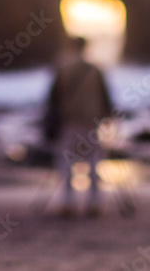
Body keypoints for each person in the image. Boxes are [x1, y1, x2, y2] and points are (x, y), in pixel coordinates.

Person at [43, 35, 113, 217]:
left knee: (65, 164)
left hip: (69, 122)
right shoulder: (95, 70)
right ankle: (95, 203)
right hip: (91, 122)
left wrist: (49, 124)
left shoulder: (62, 69)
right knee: (94, 163)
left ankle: (68, 203)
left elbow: (52, 100)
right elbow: (106, 97)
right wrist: (108, 118)